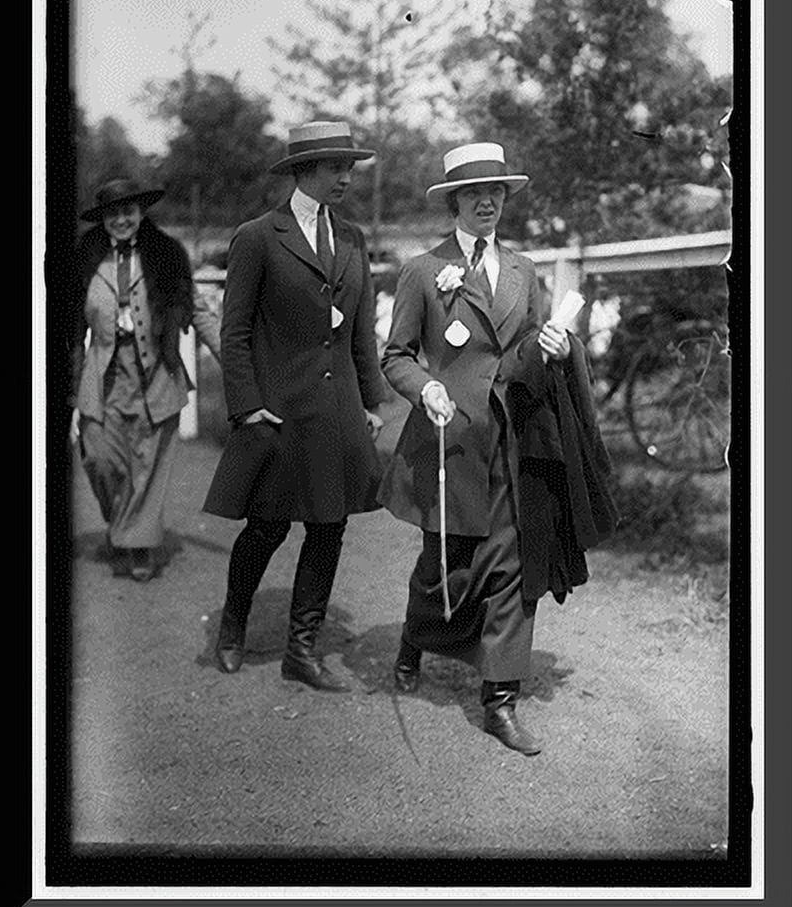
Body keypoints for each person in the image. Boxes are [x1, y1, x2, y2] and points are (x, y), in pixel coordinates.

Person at [378, 142, 572, 757]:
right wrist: (426, 386)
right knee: (447, 564)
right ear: (454, 202)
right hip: (449, 439)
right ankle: (415, 637)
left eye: (496, 192)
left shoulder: (523, 271)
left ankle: (500, 702)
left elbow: (519, 359)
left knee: (514, 565)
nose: (487, 201)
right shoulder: (422, 270)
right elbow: (396, 357)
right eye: (473, 193)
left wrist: (549, 349)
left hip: (511, 440)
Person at [202, 121, 386, 689]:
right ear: (304, 172)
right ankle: (232, 626)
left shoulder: (353, 239)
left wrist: (371, 401)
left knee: (329, 529)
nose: (345, 178)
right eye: (335, 167)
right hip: (279, 412)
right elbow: (233, 334)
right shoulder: (258, 236)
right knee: (266, 527)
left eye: (349, 168)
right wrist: (247, 406)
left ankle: (301, 651)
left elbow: (359, 332)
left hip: (338, 409)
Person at [71, 177, 221, 583]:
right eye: (113, 213)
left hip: (156, 372)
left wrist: (237, 363)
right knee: (99, 459)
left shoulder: (166, 255)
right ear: (103, 219)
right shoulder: (84, 256)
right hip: (104, 375)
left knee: (147, 465)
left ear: (141, 213)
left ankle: (136, 546)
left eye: (129, 211)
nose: (122, 220)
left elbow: (195, 310)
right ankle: (123, 528)